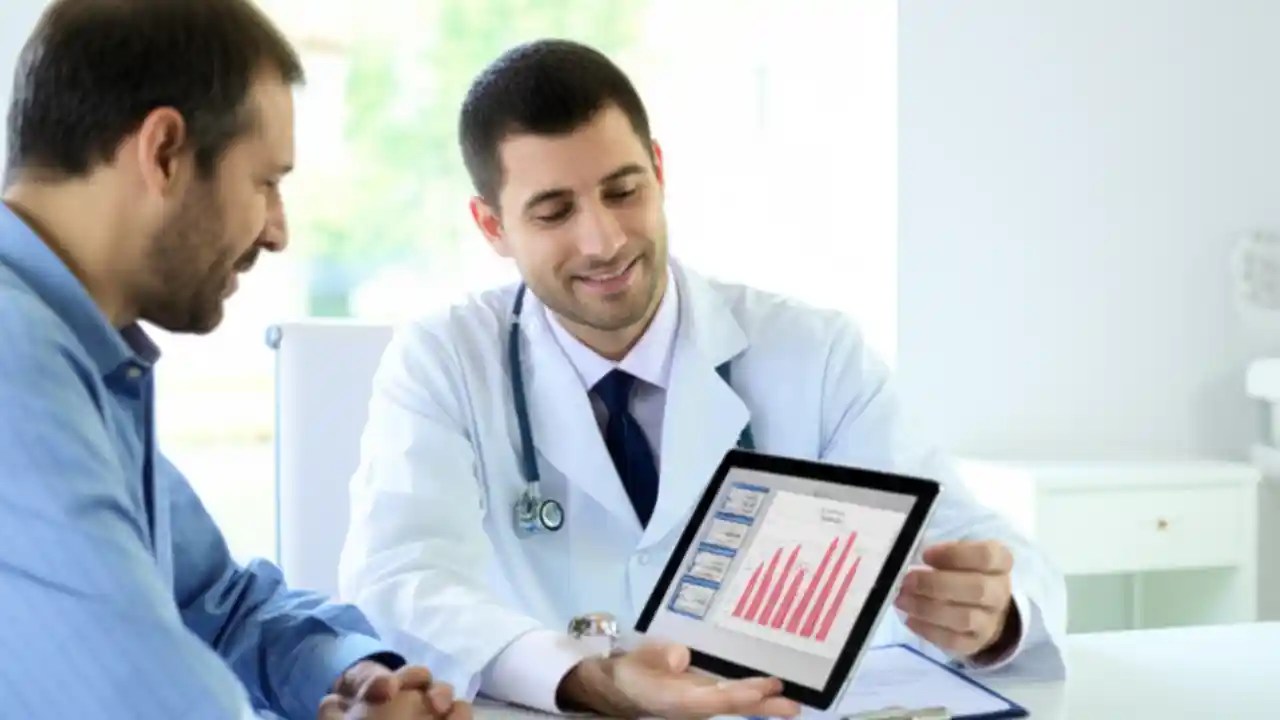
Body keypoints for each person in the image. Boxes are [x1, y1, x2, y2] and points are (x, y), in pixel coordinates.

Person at [337, 39, 1067, 718]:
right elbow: (398, 580)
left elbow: (974, 542)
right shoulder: (444, 360)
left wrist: (994, 616)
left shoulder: (814, 351)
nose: (605, 240)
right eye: (555, 211)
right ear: (492, 226)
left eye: (624, 191)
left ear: (659, 168)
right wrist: (587, 680)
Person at [0, 2, 470, 719]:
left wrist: (356, 674)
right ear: (163, 152)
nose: (277, 232)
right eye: (267, 183)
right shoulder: (17, 361)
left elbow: (217, 603)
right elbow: (147, 699)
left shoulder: (81, 355)